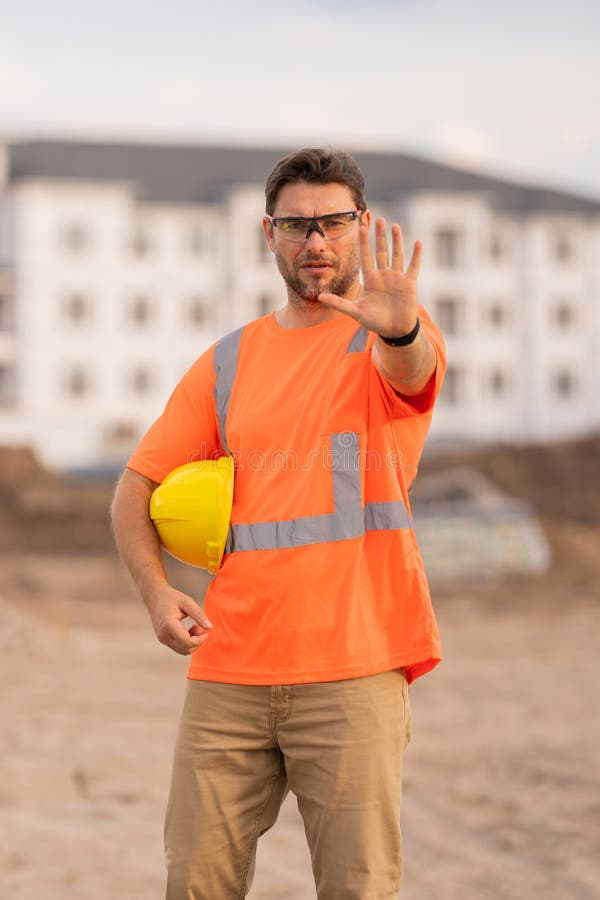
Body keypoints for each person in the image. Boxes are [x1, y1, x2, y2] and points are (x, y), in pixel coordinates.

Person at [111, 147, 446, 900]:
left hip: (355, 667)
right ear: (270, 234)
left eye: (332, 222)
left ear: (360, 226)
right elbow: (135, 487)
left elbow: (414, 370)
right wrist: (156, 593)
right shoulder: (228, 362)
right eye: (297, 225)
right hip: (230, 670)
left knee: (357, 889)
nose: (316, 242)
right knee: (194, 884)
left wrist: (398, 332)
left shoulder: (385, 340)